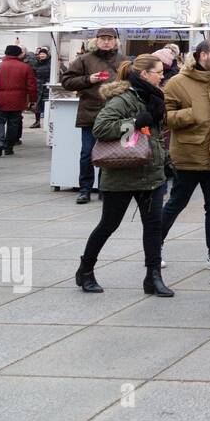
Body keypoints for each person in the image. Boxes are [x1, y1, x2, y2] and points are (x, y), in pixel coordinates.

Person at [75, 55, 173, 297]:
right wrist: (134, 122)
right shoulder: (124, 99)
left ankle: (153, 277)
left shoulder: (154, 96)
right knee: (109, 224)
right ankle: (85, 269)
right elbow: (101, 127)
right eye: (158, 71)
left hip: (151, 173)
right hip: (122, 173)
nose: (162, 76)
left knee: (152, 228)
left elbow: (156, 134)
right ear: (144, 74)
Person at [160, 40, 210, 272]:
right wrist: (192, 114)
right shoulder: (177, 83)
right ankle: (154, 245)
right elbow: (164, 116)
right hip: (189, 154)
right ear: (203, 56)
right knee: (177, 203)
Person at [61, 27, 127, 204]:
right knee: (87, 153)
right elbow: (66, 81)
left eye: (110, 39)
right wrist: (88, 79)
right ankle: (85, 189)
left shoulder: (123, 60)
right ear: (96, 40)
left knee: (111, 154)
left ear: (115, 41)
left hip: (115, 113)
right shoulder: (84, 59)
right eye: (103, 38)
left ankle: (105, 188)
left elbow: (131, 82)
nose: (106, 42)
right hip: (90, 111)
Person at [0, 45, 37, 159]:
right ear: (18, 54)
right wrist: (33, 100)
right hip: (18, 100)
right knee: (14, 123)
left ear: (5, 53)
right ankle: (8, 147)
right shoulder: (25, 67)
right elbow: (32, 86)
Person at [31, 47, 52, 129]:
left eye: (43, 54)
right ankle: (37, 121)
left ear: (47, 55)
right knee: (37, 104)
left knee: (47, 104)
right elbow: (33, 73)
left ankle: (48, 121)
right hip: (38, 86)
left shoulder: (50, 63)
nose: (42, 55)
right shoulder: (36, 63)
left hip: (46, 86)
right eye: (40, 54)